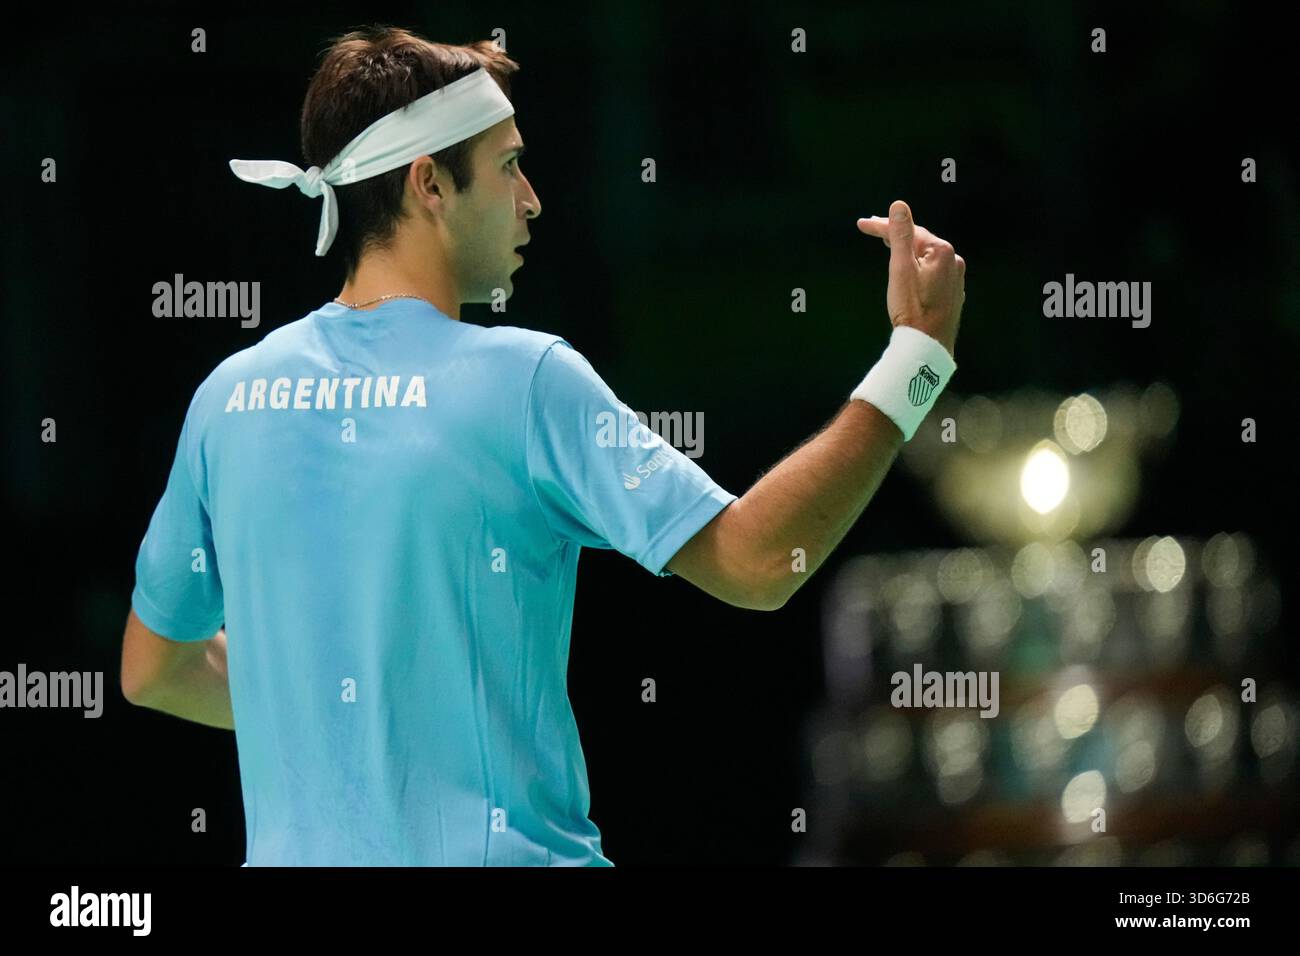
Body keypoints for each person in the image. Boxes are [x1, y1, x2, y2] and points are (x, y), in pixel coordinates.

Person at [120, 25, 965, 866]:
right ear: (430, 186)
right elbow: (759, 563)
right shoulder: (523, 379)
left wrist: (336, 702)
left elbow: (153, 669)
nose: (532, 200)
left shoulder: (231, 396)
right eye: (510, 165)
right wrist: (915, 361)